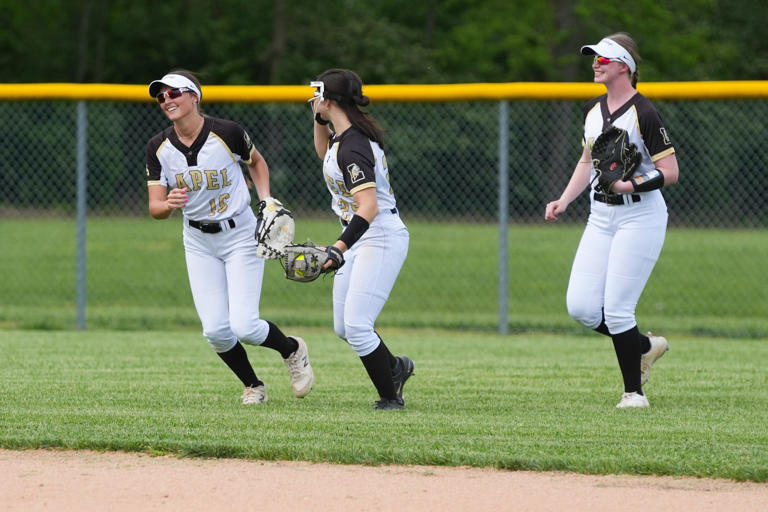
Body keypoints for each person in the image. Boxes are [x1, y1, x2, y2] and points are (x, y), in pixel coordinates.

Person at [145, 69, 313, 405]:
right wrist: (168, 204)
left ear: (195, 96)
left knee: (246, 327)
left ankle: (292, 349)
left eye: (174, 93)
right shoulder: (158, 147)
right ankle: (254, 385)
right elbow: (154, 207)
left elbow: (257, 162)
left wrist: (265, 199)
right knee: (215, 331)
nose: (167, 100)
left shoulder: (227, 133)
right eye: (161, 96)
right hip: (197, 241)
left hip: (239, 235)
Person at [544, 34, 679, 408]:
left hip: (640, 216)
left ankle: (633, 394)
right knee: (582, 308)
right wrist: (564, 200)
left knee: (618, 309)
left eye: (603, 59)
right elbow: (587, 162)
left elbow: (670, 171)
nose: (595, 63)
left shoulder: (645, 113)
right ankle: (646, 347)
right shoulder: (592, 110)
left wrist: (629, 183)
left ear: (624, 67)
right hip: (600, 216)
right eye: (593, 58)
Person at [308, 68, 414, 411]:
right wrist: (319, 118)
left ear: (330, 99)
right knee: (343, 327)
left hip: (378, 234)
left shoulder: (353, 146)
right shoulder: (343, 135)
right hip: (358, 234)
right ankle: (395, 367)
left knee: (357, 325)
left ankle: (390, 397)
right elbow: (323, 151)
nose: (312, 98)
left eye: (317, 94)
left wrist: (338, 249)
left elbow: (368, 207)